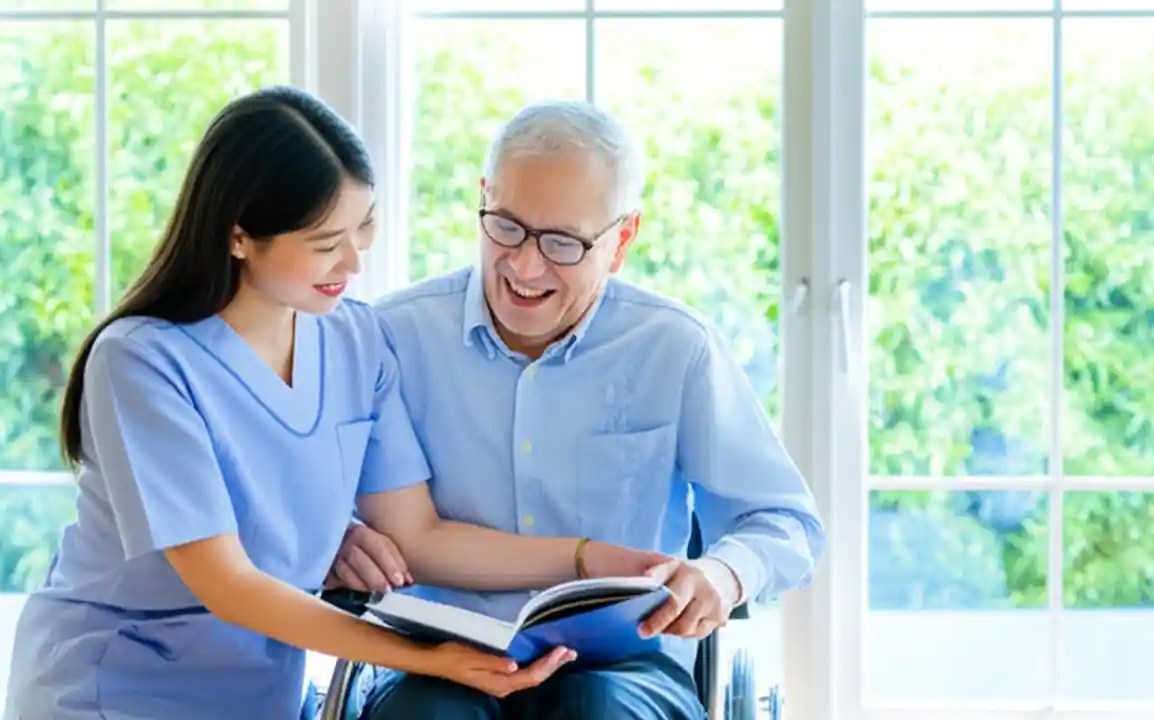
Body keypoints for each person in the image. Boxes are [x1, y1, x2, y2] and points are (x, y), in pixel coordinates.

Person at [1, 86, 667, 720]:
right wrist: (428, 659)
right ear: (239, 236)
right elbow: (227, 583)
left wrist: (589, 559)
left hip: (260, 696)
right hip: (114, 689)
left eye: (364, 227)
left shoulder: (355, 342)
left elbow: (420, 536)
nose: (353, 262)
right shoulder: (143, 361)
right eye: (325, 244)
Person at [339, 100, 826, 720]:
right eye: (506, 226)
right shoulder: (393, 335)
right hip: (435, 657)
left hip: (622, 667)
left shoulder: (673, 346)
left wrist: (724, 575)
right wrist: (338, 535)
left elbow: (787, 522)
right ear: (483, 197)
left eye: (563, 242)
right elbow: (310, 494)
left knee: (597, 711)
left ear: (621, 240)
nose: (524, 265)